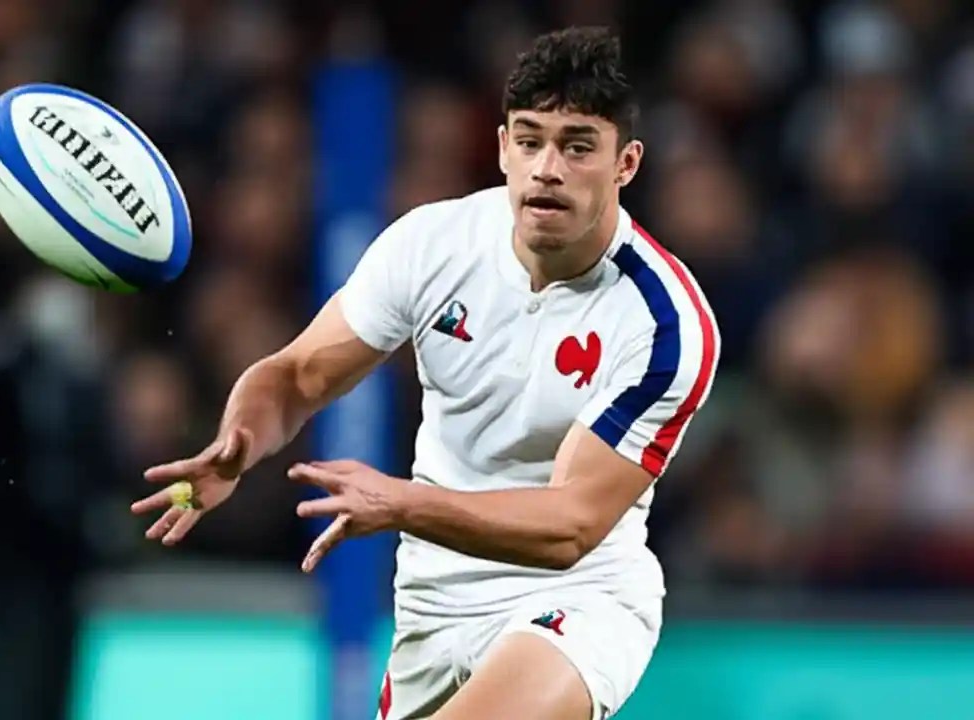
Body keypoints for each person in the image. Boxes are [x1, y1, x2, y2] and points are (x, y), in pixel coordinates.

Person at [132, 26, 720, 720]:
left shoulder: (665, 324)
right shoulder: (434, 245)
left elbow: (570, 526)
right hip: (435, 601)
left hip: (579, 597)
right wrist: (239, 441)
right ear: (502, 147)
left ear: (626, 164)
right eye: (529, 141)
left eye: (578, 146)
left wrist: (402, 504)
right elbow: (298, 377)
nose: (547, 168)